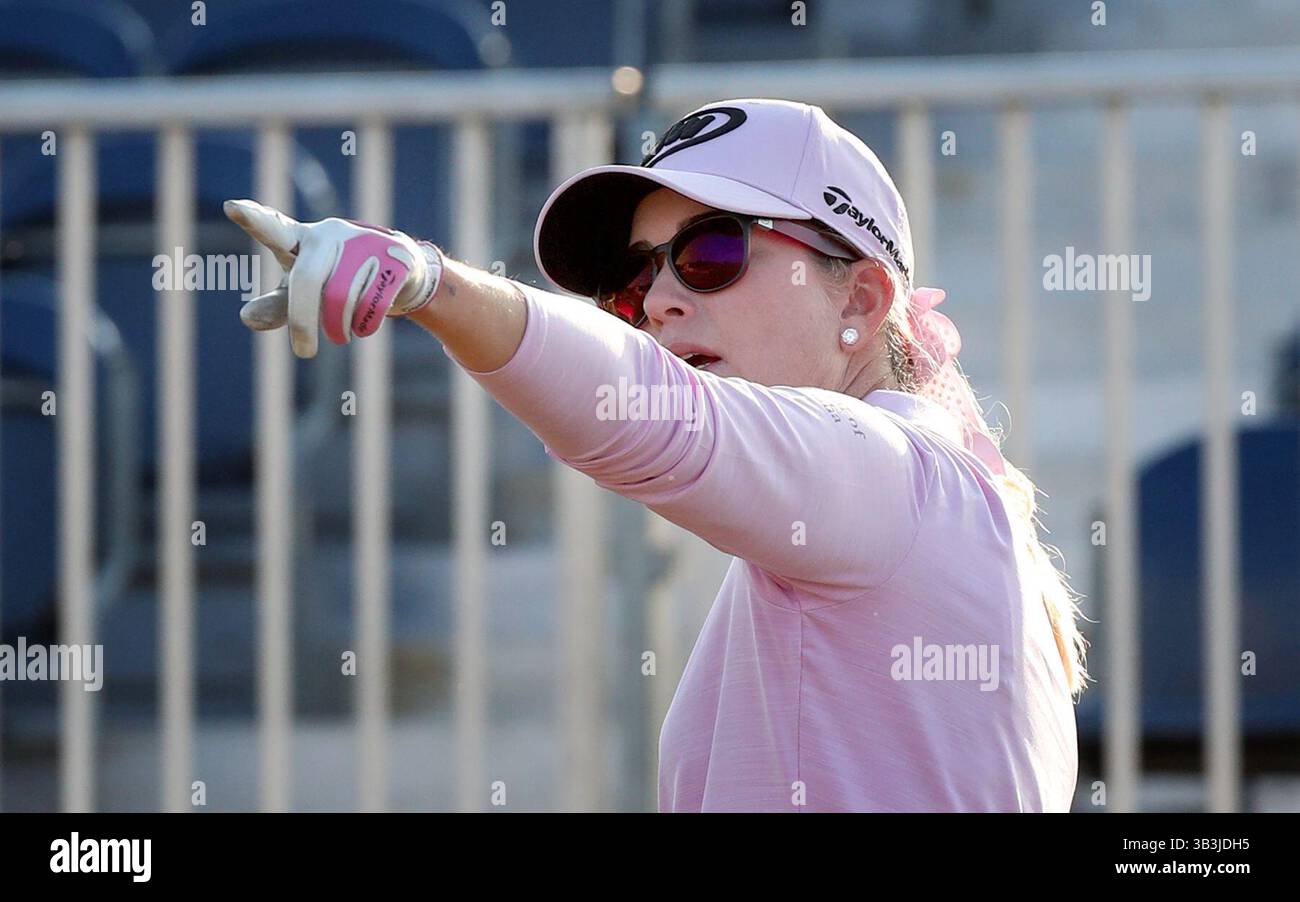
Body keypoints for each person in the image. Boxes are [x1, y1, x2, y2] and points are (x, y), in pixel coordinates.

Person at [225, 98, 1089, 812]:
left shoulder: (894, 479)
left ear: (859, 297)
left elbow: (655, 421)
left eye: (712, 252)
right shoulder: (914, 503)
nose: (662, 301)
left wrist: (429, 283)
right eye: (636, 283)